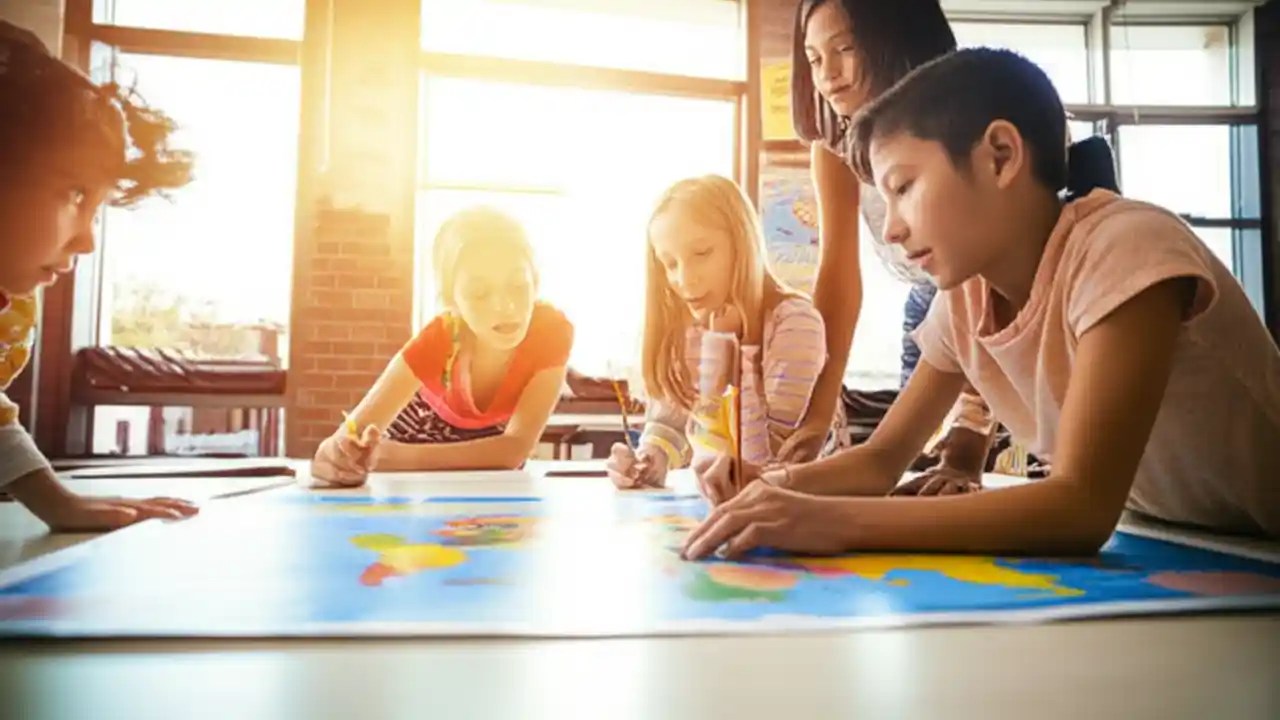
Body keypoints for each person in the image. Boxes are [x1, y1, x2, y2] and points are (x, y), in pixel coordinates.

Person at [682, 48, 1280, 559]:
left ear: (1000, 155)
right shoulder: (965, 300)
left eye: (904, 187)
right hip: (1199, 545)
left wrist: (827, 522)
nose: (890, 229)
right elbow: (881, 460)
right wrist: (769, 482)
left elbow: (1080, 506)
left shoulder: (1124, 247)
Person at [781, 0, 998, 495]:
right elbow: (837, 278)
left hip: (996, 297)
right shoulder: (835, 144)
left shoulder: (961, 125)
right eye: (814, 59)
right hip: (929, 301)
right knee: (903, 471)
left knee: (953, 469)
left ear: (895, 38)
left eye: (845, 49)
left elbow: (992, 280)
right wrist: (814, 417)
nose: (829, 75)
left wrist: (968, 442)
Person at [0, 22, 199, 529]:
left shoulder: (12, 304)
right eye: (74, 195)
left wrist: (56, 502)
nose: (88, 241)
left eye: (98, 207)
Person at [309, 207, 573, 485]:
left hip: (456, 474)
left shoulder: (551, 332)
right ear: (452, 301)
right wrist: (334, 456)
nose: (505, 307)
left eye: (518, 286)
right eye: (479, 293)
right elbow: (349, 435)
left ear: (536, 282)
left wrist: (392, 459)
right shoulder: (440, 337)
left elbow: (515, 450)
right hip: (409, 452)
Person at [606, 175, 826, 492]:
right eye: (669, 263)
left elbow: (761, 461)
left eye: (702, 253)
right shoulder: (691, 326)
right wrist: (650, 459)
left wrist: (728, 352)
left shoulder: (795, 323)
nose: (685, 279)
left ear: (742, 243)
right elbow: (672, 423)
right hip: (726, 503)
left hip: (801, 508)